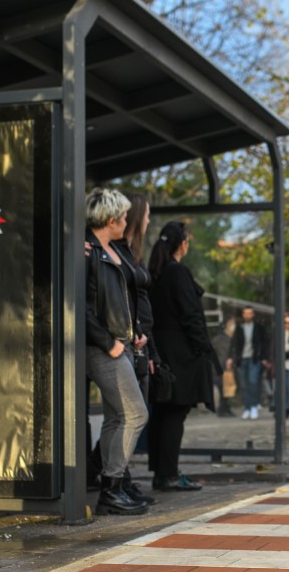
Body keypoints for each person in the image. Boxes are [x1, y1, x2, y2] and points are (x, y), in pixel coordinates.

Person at [86, 194, 157, 506]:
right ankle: (112, 487)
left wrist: (136, 332)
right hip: (105, 347)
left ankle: (116, 485)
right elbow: (82, 307)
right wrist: (109, 342)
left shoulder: (112, 250)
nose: (128, 223)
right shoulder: (86, 252)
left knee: (116, 417)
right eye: (124, 218)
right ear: (111, 219)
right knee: (136, 414)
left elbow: (125, 299)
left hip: (124, 343)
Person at [147, 221, 221, 492]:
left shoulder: (156, 271)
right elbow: (191, 315)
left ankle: (162, 472)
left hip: (162, 352)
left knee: (164, 412)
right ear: (182, 244)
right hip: (180, 355)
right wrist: (203, 347)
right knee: (175, 414)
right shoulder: (177, 273)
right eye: (187, 239)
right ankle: (168, 475)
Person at [226, 305, 268, 420]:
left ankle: (254, 406)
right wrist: (230, 357)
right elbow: (233, 343)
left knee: (253, 382)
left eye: (250, 313)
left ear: (253, 314)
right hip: (241, 359)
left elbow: (264, 343)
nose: (248, 315)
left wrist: (264, 358)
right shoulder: (239, 327)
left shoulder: (259, 327)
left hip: (254, 359)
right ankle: (247, 407)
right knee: (244, 385)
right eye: (246, 313)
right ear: (243, 314)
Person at [212, 316, 236, 417]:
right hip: (220, 368)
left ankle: (225, 408)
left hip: (229, 368)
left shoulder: (233, 338)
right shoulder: (218, 339)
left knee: (228, 389)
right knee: (223, 389)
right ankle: (223, 409)